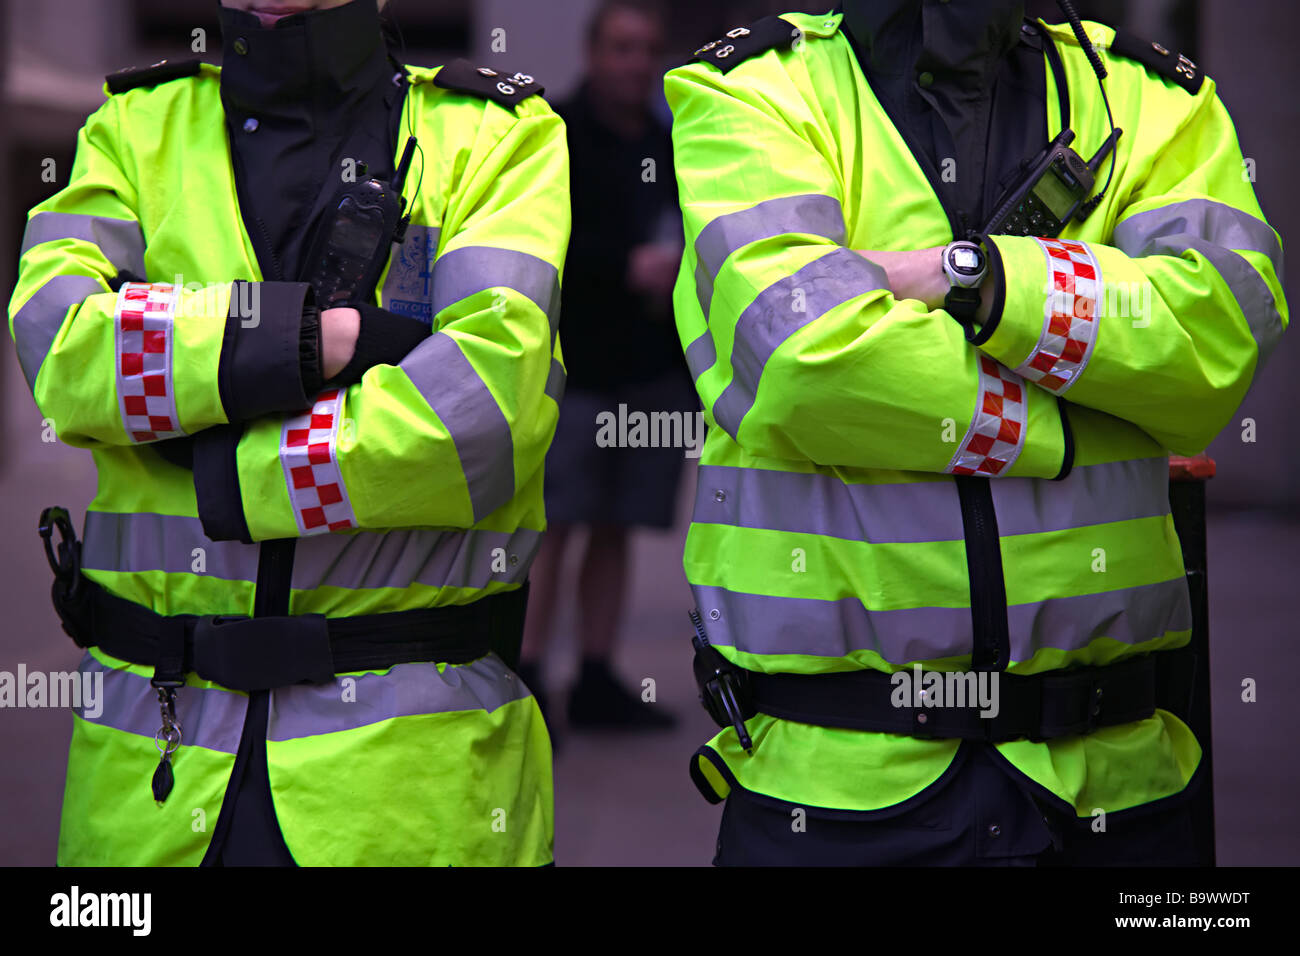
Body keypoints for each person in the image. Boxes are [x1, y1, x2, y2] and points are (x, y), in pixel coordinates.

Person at [667, 0, 1285, 865]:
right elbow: (806, 362)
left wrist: (977, 278)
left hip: (1116, 789)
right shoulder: (753, 88)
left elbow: (1218, 340)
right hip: (833, 786)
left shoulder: (1156, 99)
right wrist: (1084, 417)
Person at [8, 0, 570, 865]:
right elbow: (61, 350)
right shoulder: (132, 126)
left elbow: (480, 417)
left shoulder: (496, 136)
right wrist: (316, 340)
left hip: (405, 801)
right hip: (150, 788)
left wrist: (217, 458)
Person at [518, 0, 690, 733]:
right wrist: (626, 267)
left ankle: (594, 675)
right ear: (593, 52)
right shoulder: (552, 135)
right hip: (572, 372)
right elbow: (535, 250)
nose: (636, 62)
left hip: (648, 370)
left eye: (647, 49)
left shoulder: (670, 139)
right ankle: (529, 676)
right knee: (553, 526)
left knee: (619, 526)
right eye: (622, 47)